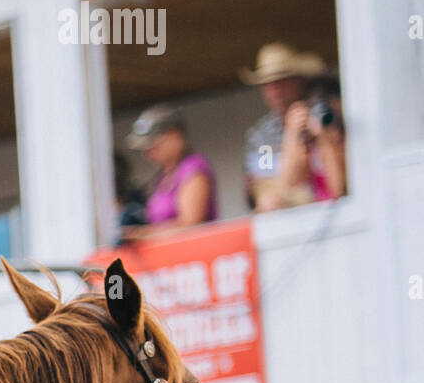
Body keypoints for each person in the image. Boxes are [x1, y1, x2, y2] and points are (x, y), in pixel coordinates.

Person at [240, 43, 346, 211]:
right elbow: (270, 190)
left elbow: (340, 187)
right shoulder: (262, 139)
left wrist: (324, 137)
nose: (276, 91)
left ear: (299, 81)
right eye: (269, 85)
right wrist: (292, 134)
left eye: (283, 82)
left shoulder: (326, 116)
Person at [119, 104, 216, 240]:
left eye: (153, 145)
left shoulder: (193, 168)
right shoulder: (162, 176)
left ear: (174, 135)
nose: (148, 153)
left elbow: (191, 224)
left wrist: (143, 234)